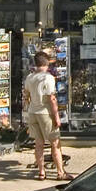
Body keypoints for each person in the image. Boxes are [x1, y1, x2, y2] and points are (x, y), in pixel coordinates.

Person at [22, 52, 67, 180]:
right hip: (45, 112)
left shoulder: (30, 77)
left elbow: (26, 96)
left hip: (33, 112)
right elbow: (52, 98)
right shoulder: (48, 78)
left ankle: (41, 172)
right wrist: (56, 116)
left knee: (39, 143)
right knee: (55, 142)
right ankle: (60, 172)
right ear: (46, 63)